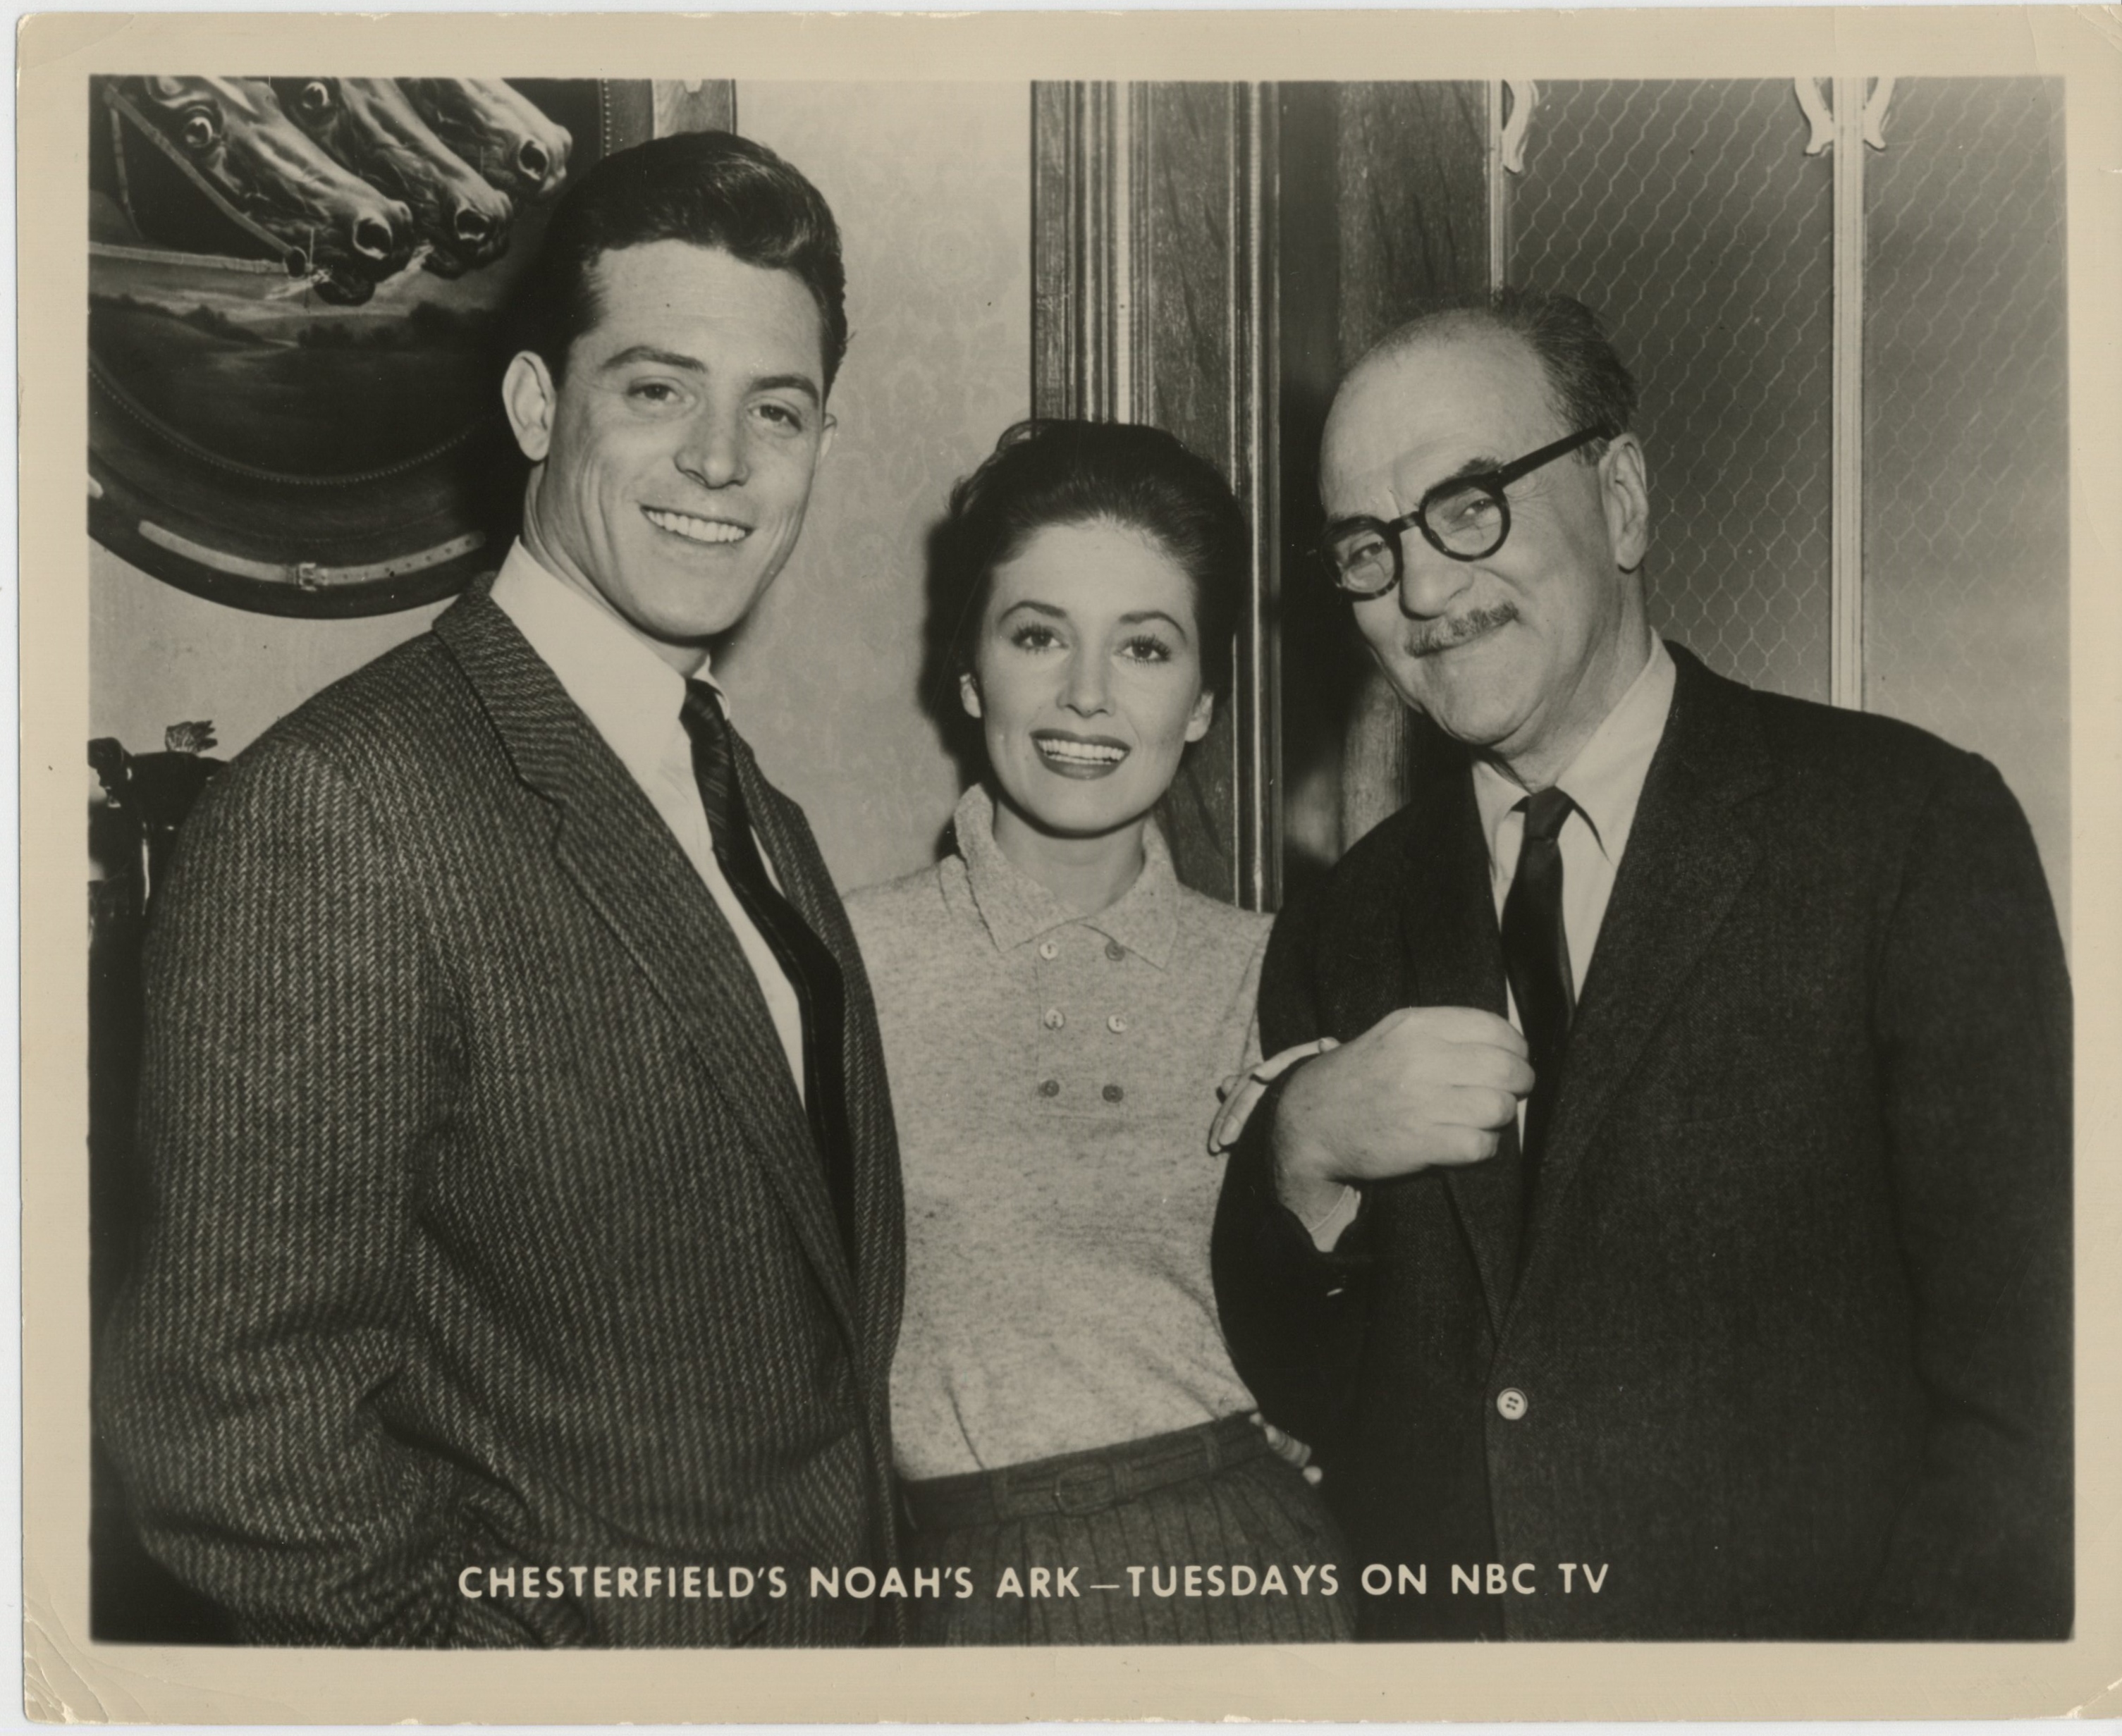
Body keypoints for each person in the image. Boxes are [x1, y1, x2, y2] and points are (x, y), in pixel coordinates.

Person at [96, 130, 907, 1648]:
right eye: (657, 390)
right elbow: (230, 1436)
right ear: (539, 405)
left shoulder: (751, 804)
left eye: (775, 410)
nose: (723, 463)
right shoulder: (339, 810)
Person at [1211, 290, 2072, 1641]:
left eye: (1469, 502)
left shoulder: (1902, 831)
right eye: (1367, 550)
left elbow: (2038, 1402)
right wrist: (1296, 1155)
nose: (1423, 589)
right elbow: (1321, 1398)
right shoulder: (1347, 921)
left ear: (1617, 499)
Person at [847, 421, 1354, 1645]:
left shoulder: (1285, 974)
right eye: (1037, 636)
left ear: (1202, 700)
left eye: (1144, 646)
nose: (1086, 694)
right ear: (970, 671)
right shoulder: (840, 967)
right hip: (956, 1603)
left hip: (1247, 1584)